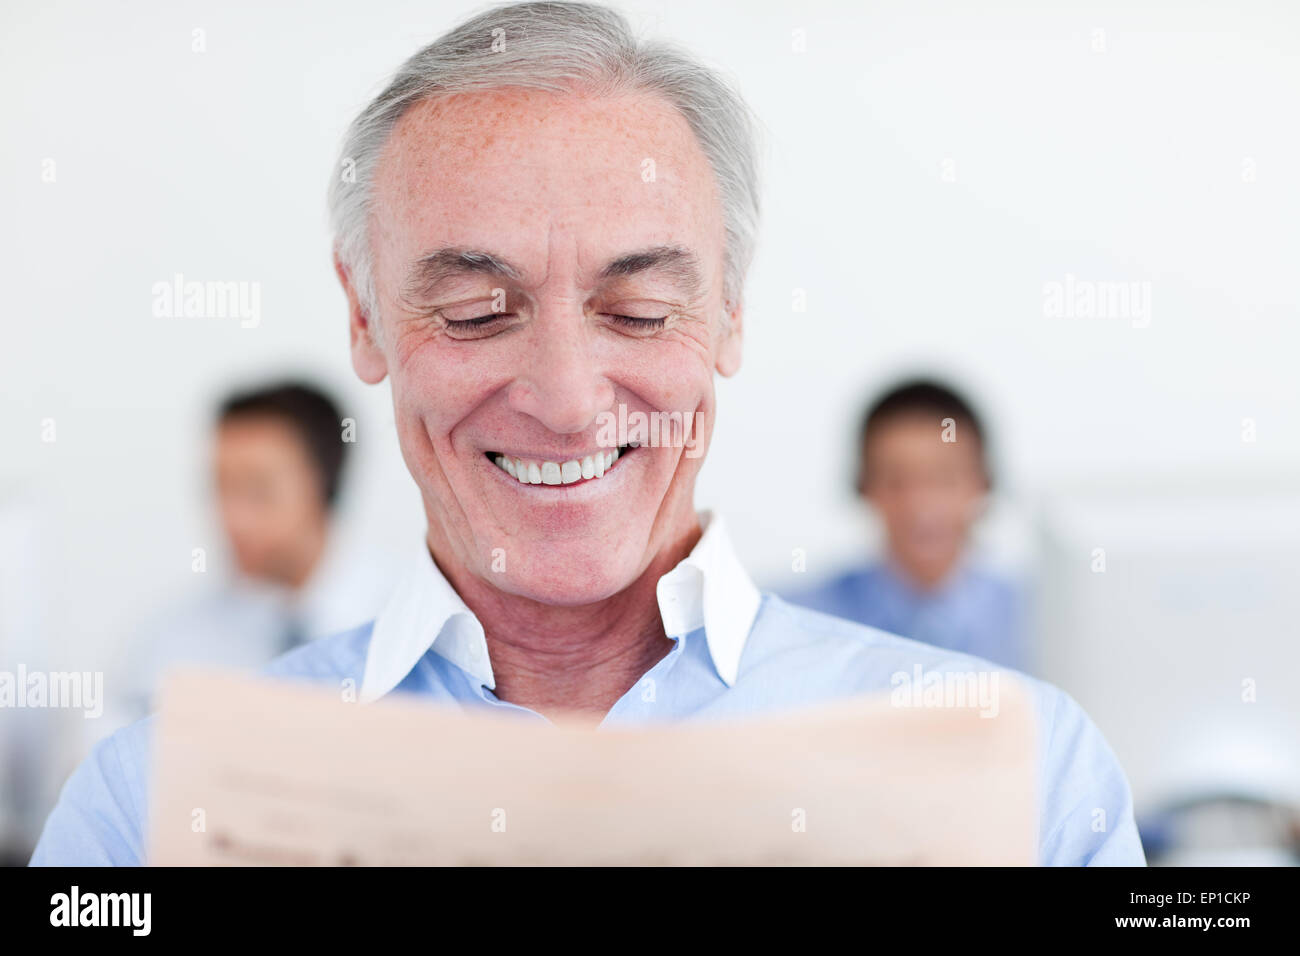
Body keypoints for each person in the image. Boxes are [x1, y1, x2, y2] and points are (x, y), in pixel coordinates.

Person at [31, 1, 1143, 865]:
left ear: (731, 311)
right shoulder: (157, 809)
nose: (564, 398)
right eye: (476, 314)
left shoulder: (1023, 785)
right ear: (364, 316)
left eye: (638, 311)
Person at [102, 382, 392, 731]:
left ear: (325, 486)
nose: (232, 518)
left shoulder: (408, 628)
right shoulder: (169, 637)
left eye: (258, 491)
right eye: (221, 487)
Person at [790, 380, 1026, 670]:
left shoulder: (1043, 621)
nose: (920, 504)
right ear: (863, 488)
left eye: (944, 479)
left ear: (983, 484)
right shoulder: (800, 621)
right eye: (896, 481)